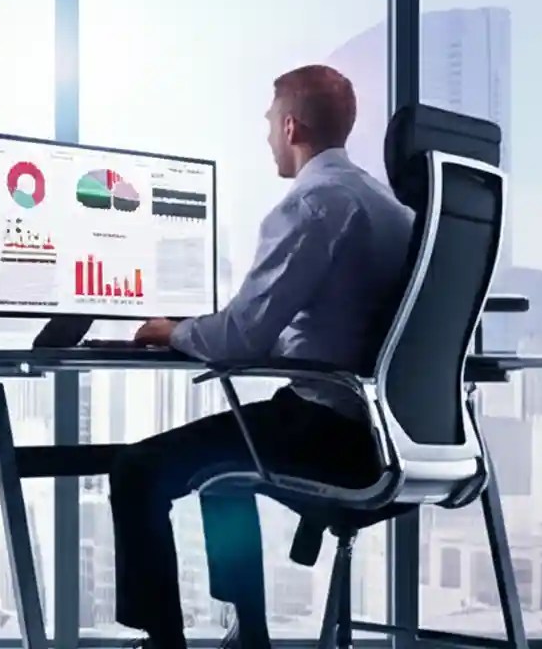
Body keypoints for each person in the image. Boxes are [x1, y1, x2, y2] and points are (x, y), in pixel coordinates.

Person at [110, 64, 414, 649]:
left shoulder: (313, 204)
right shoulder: (390, 207)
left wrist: (173, 330)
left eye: (271, 122)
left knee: (137, 468)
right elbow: (343, 323)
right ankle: (250, 635)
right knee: (223, 475)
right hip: (391, 434)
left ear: (292, 126)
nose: (269, 134)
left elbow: (240, 338)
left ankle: (163, 642)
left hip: (327, 428)